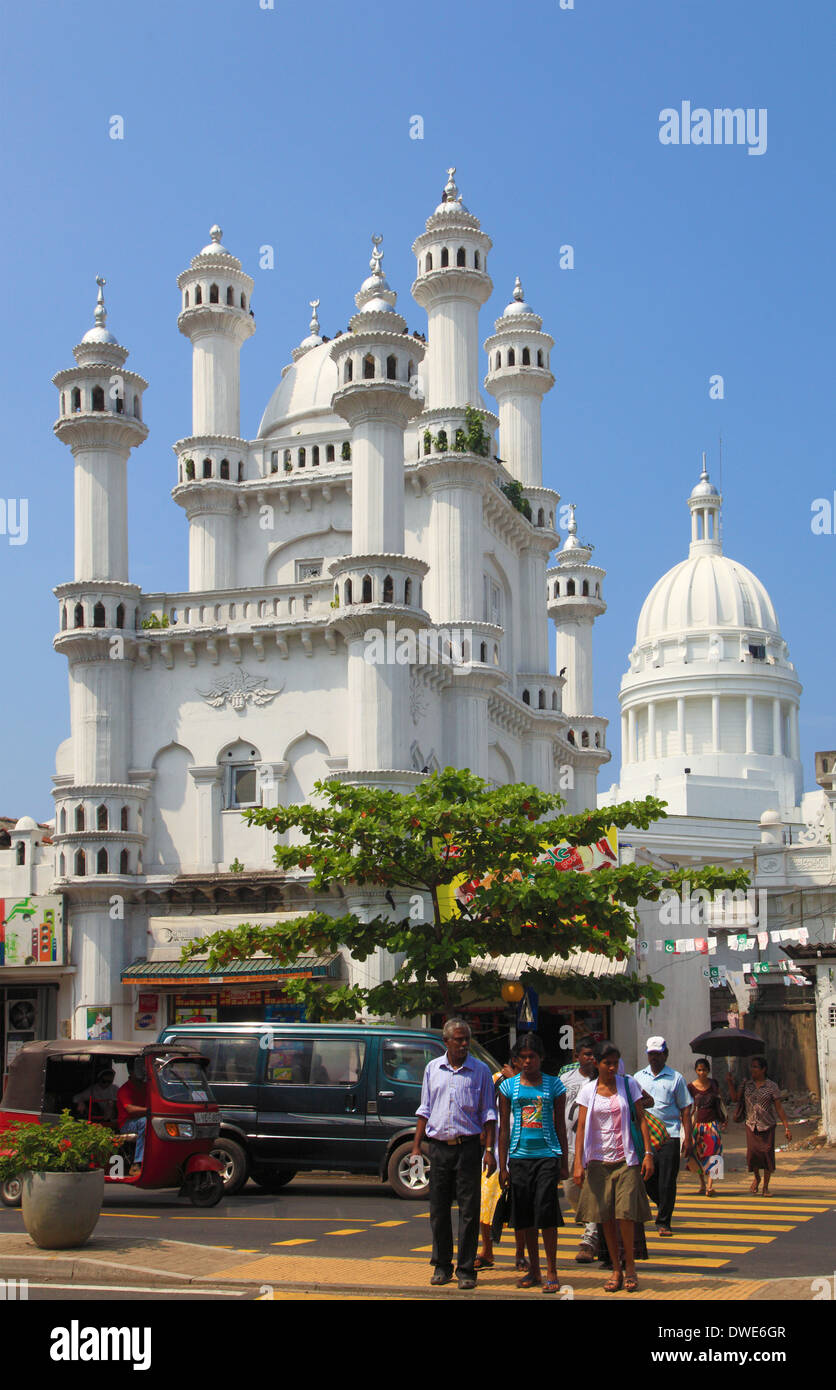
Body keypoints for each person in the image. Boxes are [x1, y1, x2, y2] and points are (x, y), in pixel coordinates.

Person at [412, 1019, 497, 1289]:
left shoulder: (480, 1070)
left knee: (469, 1210)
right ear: (446, 1042)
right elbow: (425, 1109)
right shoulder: (432, 1069)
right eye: (458, 1040)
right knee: (438, 1209)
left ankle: (466, 1268)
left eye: (466, 1039)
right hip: (438, 1147)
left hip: (469, 1147)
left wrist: (489, 1150)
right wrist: (416, 1147)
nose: (463, 1044)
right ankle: (441, 1265)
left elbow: (489, 1114)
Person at [573, 1040, 654, 1293]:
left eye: (615, 1062)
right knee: (605, 1216)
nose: (612, 1067)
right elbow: (582, 1127)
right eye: (607, 1063)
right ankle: (616, 1269)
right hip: (598, 1161)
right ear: (596, 1064)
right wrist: (578, 1162)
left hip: (626, 1160)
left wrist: (648, 1153)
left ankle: (630, 1267)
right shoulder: (588, 1091)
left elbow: (641, 1119)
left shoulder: (628, 1085)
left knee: (625, 1215)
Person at [498, 1032, 567, 1293]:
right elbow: (504, 1127)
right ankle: (534, 1270)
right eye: (523, 1057)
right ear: (517, 1059)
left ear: (541, 1058)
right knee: (524, 1217)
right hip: (519, 1157)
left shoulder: (555, 1086)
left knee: (546, 1214)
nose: (528, 1062)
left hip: (547, 1156)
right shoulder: (508, 1088)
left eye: (532, 1057)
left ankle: (552, 1269)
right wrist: (503, 1164)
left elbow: (560, 1125)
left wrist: (564, 1161)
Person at [634, 1036, 693, 1238]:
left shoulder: (675, 1078)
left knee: (667, 1180)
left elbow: (686, 1108)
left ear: (665, 1054)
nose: (654, 1058)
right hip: (645, 1135)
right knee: (646, 1178)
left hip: (670, 1135)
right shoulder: (638, 1077)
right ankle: (663, 1204)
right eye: (651, 1055)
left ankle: (664, 1221)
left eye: (658, 1054)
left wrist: (689, 1137)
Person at [475, 1046, 527, 1274]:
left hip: (522, 1149)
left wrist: (514, 1079)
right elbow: (486, 1110)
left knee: (520, 1206)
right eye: (520, 1061)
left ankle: (520, 1255)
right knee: (485, 1201)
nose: (525, 1065)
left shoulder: (530, 1082)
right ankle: (487, 1250)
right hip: (495, 1150)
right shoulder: (496, 1080)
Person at [559, 1035, 601, 1262]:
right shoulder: (565, 1079)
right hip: (568, 1144)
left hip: (594, 1147)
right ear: (577, 1057)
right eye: (586, 1054)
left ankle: (589, 1239)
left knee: (592, 1192)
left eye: (594, 1055)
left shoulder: (603, 1080)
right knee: (571, 1192)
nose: (591, 1059)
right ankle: (591, 1223)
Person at [727, 1056, 792, 1195]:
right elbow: (735, 1099)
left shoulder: (772, 1086)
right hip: (751, 1125)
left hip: (767, 1126)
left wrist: (787, 1127)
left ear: (763, 1069)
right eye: (752, 1066)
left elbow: (779, 1108)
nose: (753, 1069)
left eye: (756, 1067)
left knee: (767, 1155)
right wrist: (730, 1083)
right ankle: (757, 1178)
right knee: (753, 1155)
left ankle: (766, 1187)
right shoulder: (746, 1084)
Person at [688, 1058, 727, 1196]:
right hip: (697, 1126)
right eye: (699, 1070)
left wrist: (723, 1118)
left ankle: (710, 1185)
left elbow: (719, 1101)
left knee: (714, 1153)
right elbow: (688, 1107)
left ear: (708, 1070)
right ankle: (702, 1184)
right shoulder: (691, 1087)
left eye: (704, 1070)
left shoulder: (714, 1084)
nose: (702, 1072)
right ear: (696, 1071)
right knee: (699, 1155)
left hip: (712, 1125)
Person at [117, 1057, 149, 1176]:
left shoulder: (147, 1086)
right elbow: (129, 1109)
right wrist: (149, 1111)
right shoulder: (125, 1089)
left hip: (144, 1119)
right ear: (131, 1072)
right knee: (144, 1122)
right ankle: (137, 1163)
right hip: (127, 1123)